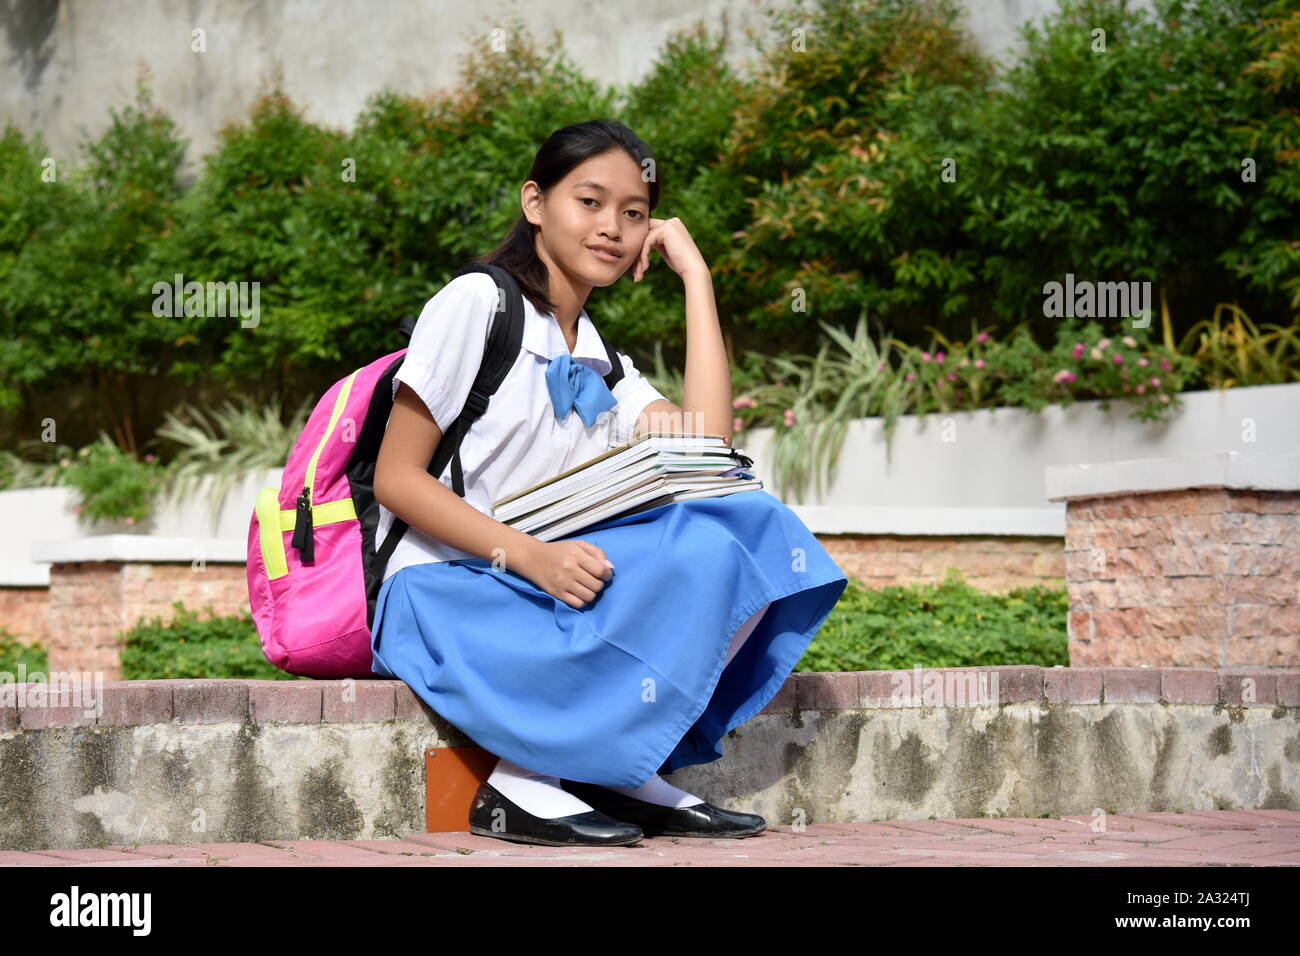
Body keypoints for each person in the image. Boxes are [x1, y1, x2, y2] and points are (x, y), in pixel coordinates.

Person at [371, 119, 848, 848]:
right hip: (444, 589)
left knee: (745, 525)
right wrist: (529, 556)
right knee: (714, 536)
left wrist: (698, 279)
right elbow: (397, 480)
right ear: (535, 202)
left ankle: (621, 765)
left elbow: (708, 453)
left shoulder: (600, 358)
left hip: (545, 587)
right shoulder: (478, 303)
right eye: (589, 202)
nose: (612, 227)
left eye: (634, 213)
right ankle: (521, 786)